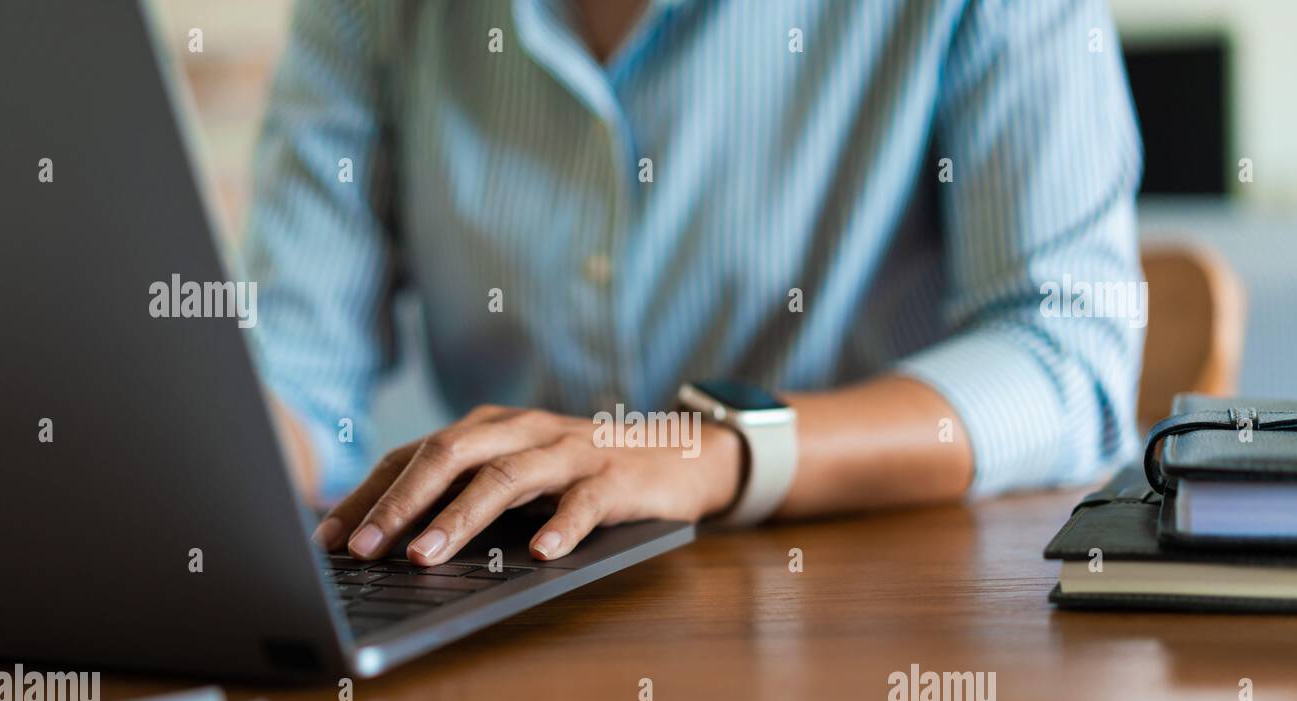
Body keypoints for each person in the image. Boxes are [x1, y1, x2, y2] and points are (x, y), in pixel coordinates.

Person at [244, 0, 1144, 566]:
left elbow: (1065, 357)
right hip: (510, 622)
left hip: (878, 619)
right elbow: (295, 375)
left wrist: (708, 450)